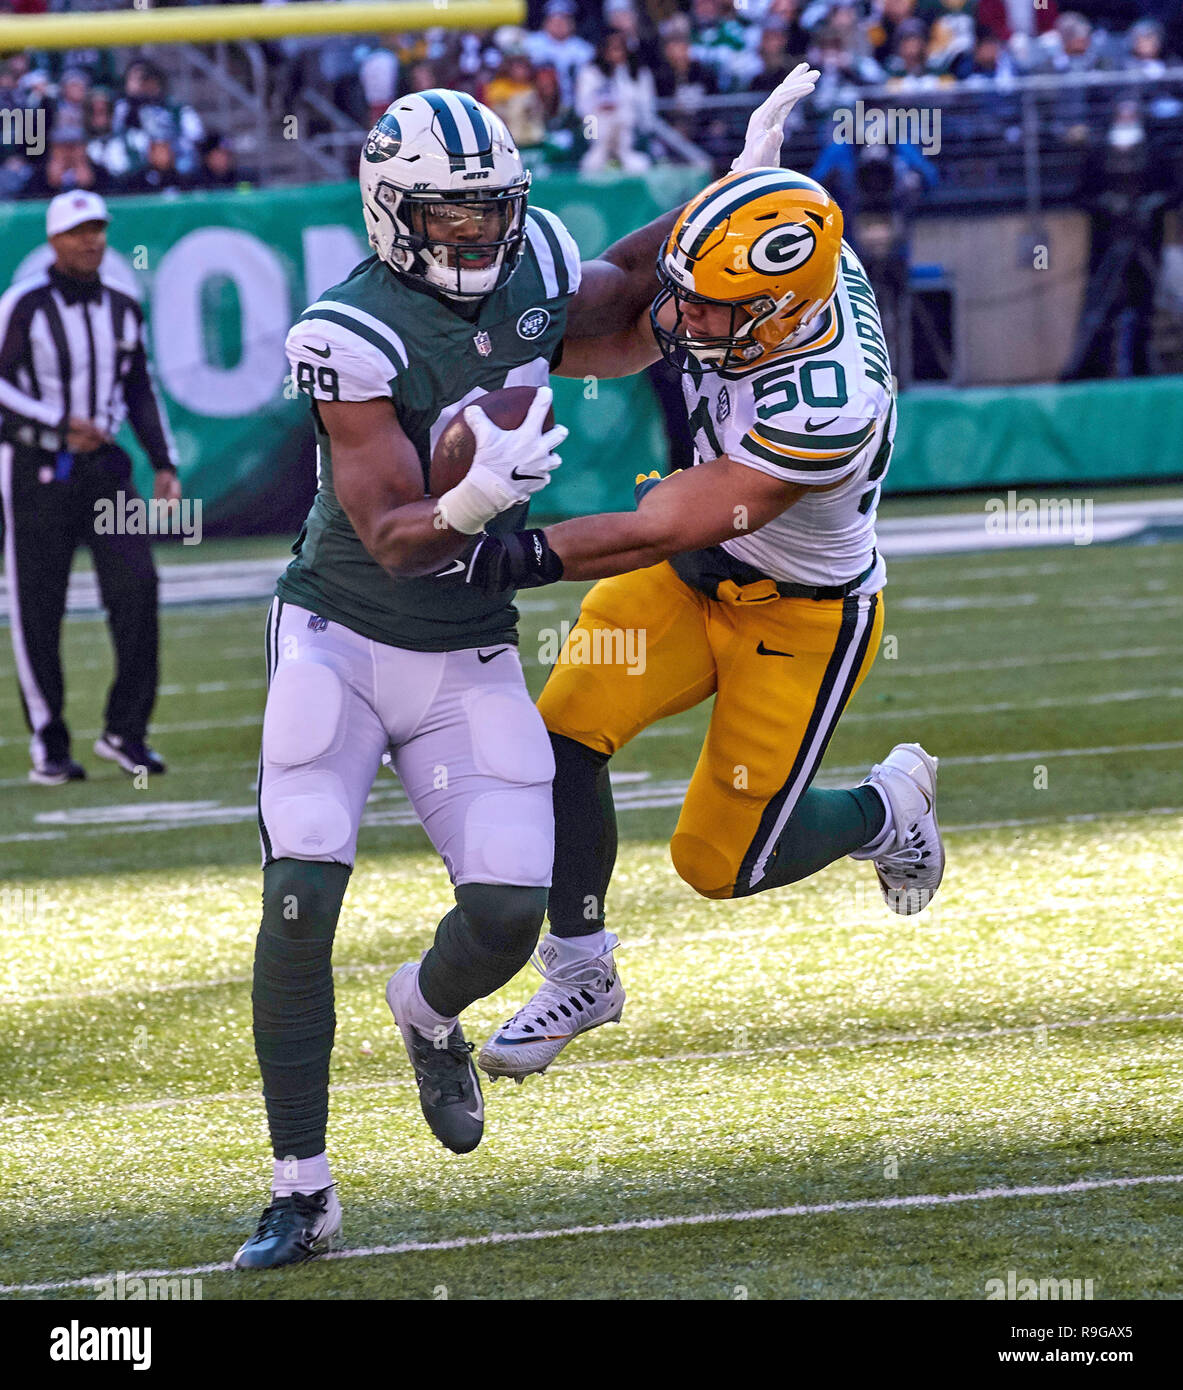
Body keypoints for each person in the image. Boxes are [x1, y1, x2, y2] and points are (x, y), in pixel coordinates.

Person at [233, 87, 694, 1270]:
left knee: (505, 909)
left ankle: (426, 1012)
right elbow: (390, 528)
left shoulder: (530, 254)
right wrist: (473, 501)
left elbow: (625, 299)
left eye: (493, 211)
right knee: (301, 892)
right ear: (394, 214)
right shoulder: (345, 329)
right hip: (339, 627)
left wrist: (729, 196)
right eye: (451, 217)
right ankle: (302, 1190)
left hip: (466, 637)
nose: (478, 236)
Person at [462, 70, 945, 1082]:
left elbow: (661, 520)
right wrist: (735, 170)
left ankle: (884, 808)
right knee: (556, 743)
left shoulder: (829, 401)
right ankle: (582, 968)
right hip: (692, 578)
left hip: (798, 615)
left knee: (719, 863)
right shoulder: (773, 256)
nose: (684, 320)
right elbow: (644, 281)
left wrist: (509, 551)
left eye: (715, 311)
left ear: (774, 317)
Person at [0, 190, 180, 785]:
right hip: (36, 469)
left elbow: (139, 387)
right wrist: (55, 423)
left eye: (98, 229)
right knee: (37, 607)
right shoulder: (22, 305)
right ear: (53, 241)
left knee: (138, 588)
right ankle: (50, 744)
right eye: (79, 232)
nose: (91, 241)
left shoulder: (124, 307)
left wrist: (163, 462)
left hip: (105, 471)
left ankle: (125, 732)